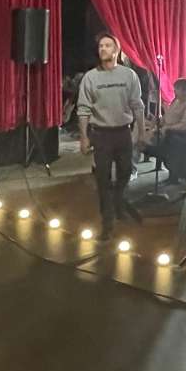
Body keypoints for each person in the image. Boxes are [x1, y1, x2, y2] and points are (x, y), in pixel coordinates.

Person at [77, 33, 146, 239]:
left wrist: (140, 131)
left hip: (123, 133)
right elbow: (83, 109)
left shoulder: (128, 76)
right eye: (100, 46)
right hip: (101, 135)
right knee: (103, 179)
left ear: (116, 50)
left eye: (107, 46)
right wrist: (83, 137)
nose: (103, 49)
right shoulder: (91, 78)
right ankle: (107, 220)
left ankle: (118, 202)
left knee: (125, 172)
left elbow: (137, 105)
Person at [145, 77, 186, 183]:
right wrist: (158, 120)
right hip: (165, 129)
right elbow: (167, 117)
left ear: (184, 90)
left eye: (177, 89)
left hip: (177, 134)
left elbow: (184, 125)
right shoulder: (176, 101)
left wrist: (167, 127)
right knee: (141, 127)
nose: (174, 91)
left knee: (149, 141)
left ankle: (174, 175)